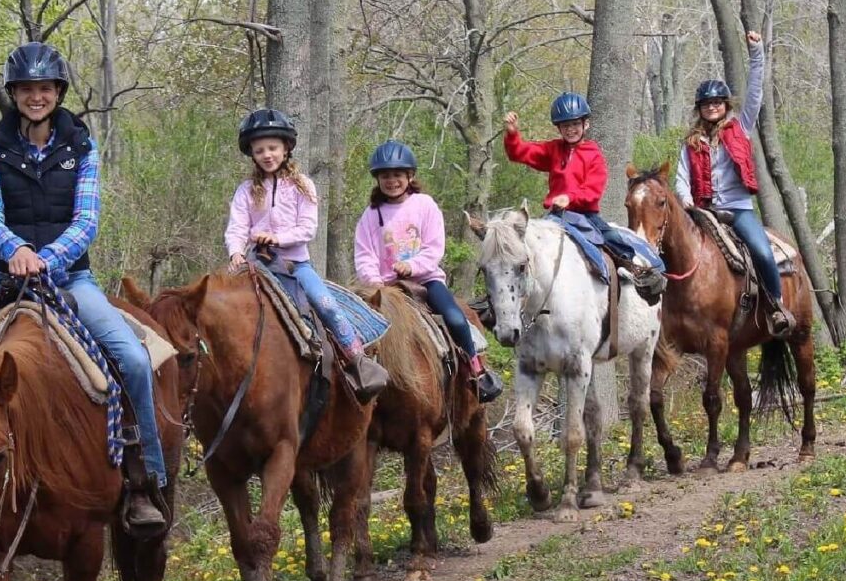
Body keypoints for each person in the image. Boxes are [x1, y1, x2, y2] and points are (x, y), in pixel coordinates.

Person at [0, 42, 166, 544]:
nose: (37, 96)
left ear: (58, 92)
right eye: (27, 89)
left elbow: (87, 220)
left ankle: (142, 480)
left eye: (45, 88)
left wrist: (49, 257)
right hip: (8, 281)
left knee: (131, 359)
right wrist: (18, 250)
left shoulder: (83, 149)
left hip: (71, 281)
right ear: (15, 94)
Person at [225, 108, 389, 404]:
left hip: (294, 264)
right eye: (259, 149)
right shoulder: (246, 190)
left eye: (272, 147)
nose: (267, 154)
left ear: (286, 148)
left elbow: (307, 229)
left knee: (325, 304)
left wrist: (278, 238)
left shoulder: (303, 185)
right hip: (256, 265)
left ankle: (357, 361)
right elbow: (237, 227)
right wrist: (236, 251)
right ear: (251, 153)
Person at [353, 140, 503, 403]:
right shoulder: (371, 214)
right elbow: (364, 254)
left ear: (410, 176)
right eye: (385, 176)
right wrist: (373, 281)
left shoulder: (424, 205)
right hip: (383, 288)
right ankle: (355, 379)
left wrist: (412, 266)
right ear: (377, 179)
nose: (392, 181)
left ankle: (477, 371)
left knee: (455, 318)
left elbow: (434, 248)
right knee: (355, 326)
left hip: (425, 281)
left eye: (397, 175)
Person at [674, 31, 792, 338]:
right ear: (699, 108)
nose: (712, 108)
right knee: (672, 249)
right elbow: (681, 176)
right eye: (706, 104)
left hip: (738, 210)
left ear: (725, 105)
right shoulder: (691, 143)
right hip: (704, 211)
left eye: (717, 103)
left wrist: (756, 53)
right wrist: (684, 198)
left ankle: (776, 306)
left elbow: (754, 93)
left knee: (762, 253)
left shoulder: (741, 127)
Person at [503, 94, 665, 299]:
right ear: (559, 129)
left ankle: (637, 271)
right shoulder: (553, 149)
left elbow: (593, 190)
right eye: (565, 126)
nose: (570, 130)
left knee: (613, 238)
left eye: (575, 124)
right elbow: (521, 153)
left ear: (585, 124)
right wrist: (512, 134)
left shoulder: (593, 154)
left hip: (585, 215)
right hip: (556, 215)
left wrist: (570, 198)